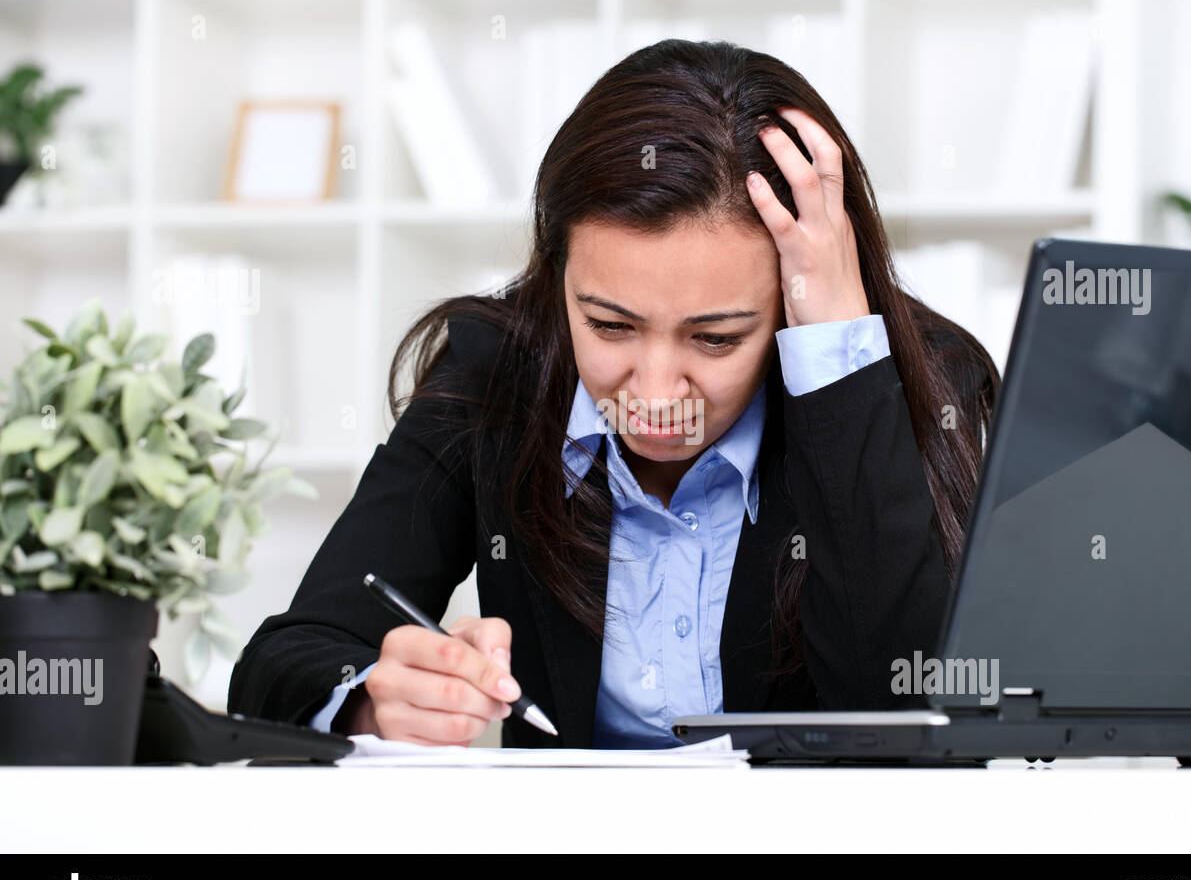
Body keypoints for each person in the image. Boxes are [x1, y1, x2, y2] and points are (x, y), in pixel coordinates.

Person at [226, 39, 999, 749]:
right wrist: (373, 699)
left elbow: (915, 730)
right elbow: (281, 663)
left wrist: (834, 357)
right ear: (556, 278)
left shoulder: (908, 381)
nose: (656, 393)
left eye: (717, 337)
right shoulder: (492, 376)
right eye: (611, 325)